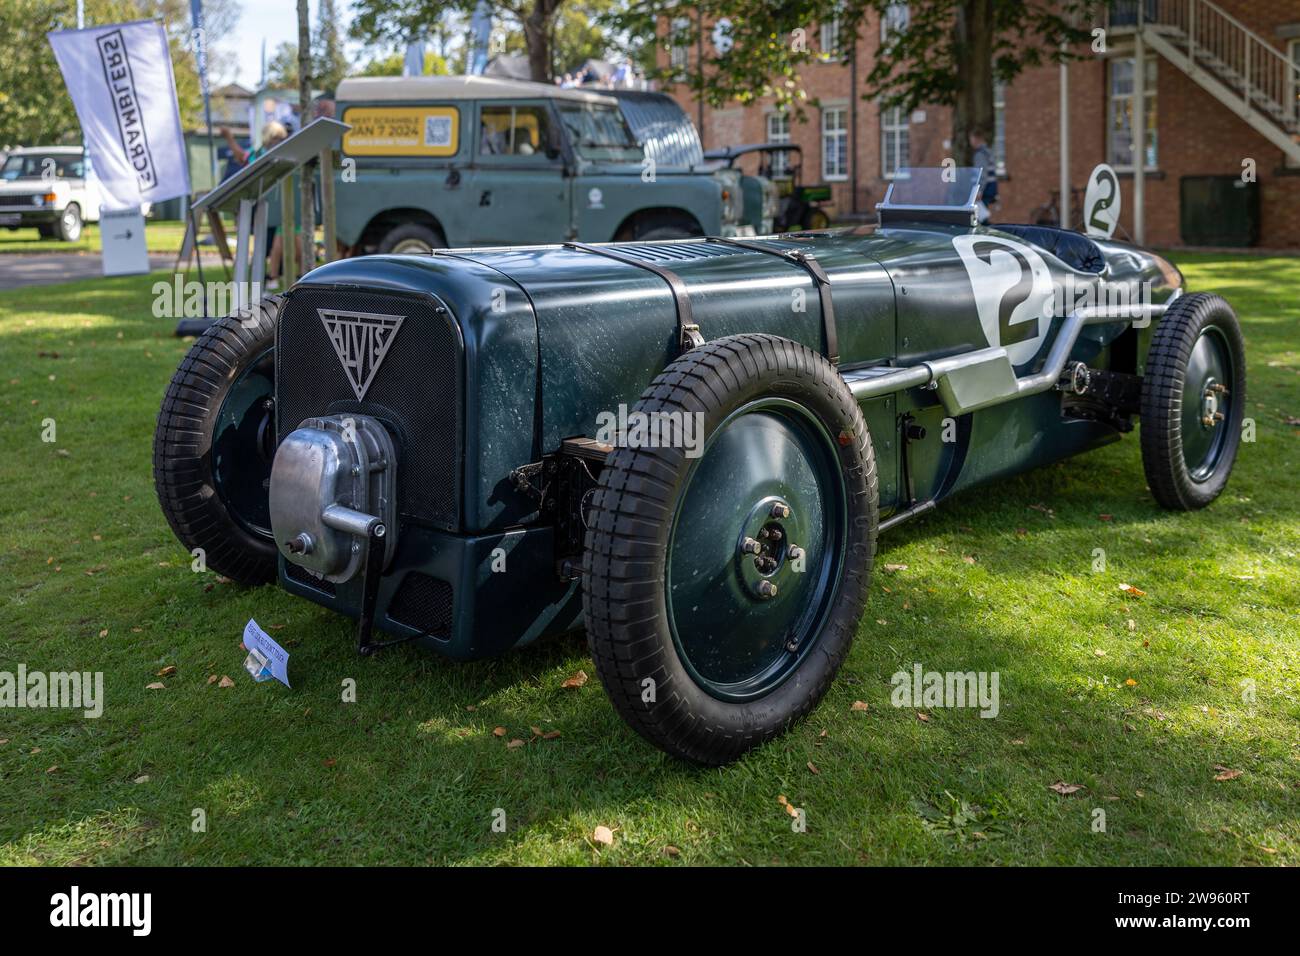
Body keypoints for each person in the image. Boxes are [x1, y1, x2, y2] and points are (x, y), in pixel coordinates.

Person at [968, 126, 998, 225]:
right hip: (991, 186)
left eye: (971, 139)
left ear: (976, 138)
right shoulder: (988, 152)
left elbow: (981, 173)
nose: (970, 142)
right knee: (982, 214)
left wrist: (978, 190)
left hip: (985, 188)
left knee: (979, 216)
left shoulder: (980, 154)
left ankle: (988, 232)